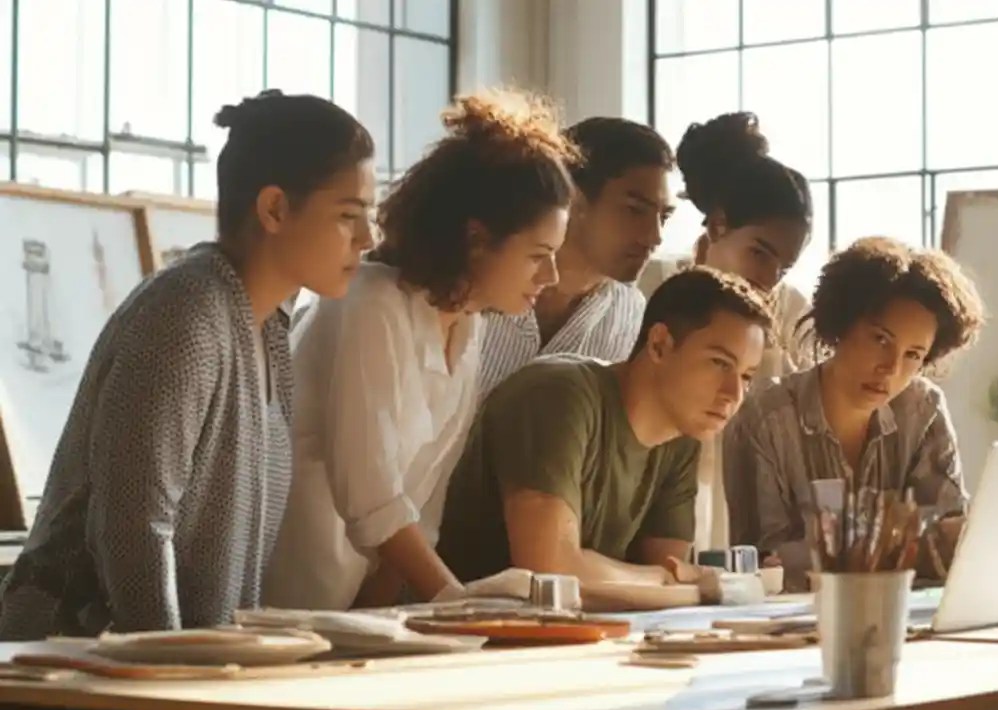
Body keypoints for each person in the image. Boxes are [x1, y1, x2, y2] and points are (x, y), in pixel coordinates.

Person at [0, 90, 377, 638]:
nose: (367, 238)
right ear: (274, 208)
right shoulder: (186, 311)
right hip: (72, 665)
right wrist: (174, 672)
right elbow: (134, 524)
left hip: (167, 668)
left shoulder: (270, 328)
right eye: (349, 216)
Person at [263, 90, 578, 611]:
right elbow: (371, 497)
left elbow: (420, 510)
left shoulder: (469, 327)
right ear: (477, 238)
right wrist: (460, 607)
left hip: (349, 612)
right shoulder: (371, 303)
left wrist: (387, 621)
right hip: (282, 602)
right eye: (538, 256)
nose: (551, 276)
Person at [437, 268, 772, 585]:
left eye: (746, 376)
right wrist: (663, 579)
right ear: (659, 345)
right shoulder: (557, 395)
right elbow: (548, 568)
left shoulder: (682, 439)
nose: (734, 394)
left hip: (585, 635)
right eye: (720, 363)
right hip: (464, 631)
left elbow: (671, 579)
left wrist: (670, 579)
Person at [722, 236, 986, 591]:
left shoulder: (922, 410)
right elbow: (767, 562)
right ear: (840, 326)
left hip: (908, 614)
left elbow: (957, 541)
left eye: (913, 355)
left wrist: (836, 552)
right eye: (881, 340)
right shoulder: (766, 418)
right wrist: (910, 546)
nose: (891, 368)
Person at [636, 111, 813, 551]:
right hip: (647, 495)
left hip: (748, 507)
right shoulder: (651, 285)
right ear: (718, 226)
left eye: (784, 266)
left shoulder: (791, 310)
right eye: (759, 253)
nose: (769, 277)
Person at [478, 117, 676, 396]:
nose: (655, 236)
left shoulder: (629, 315)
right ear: (574, 200)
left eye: (663, 217)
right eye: (635, 210)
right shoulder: (481, 286)